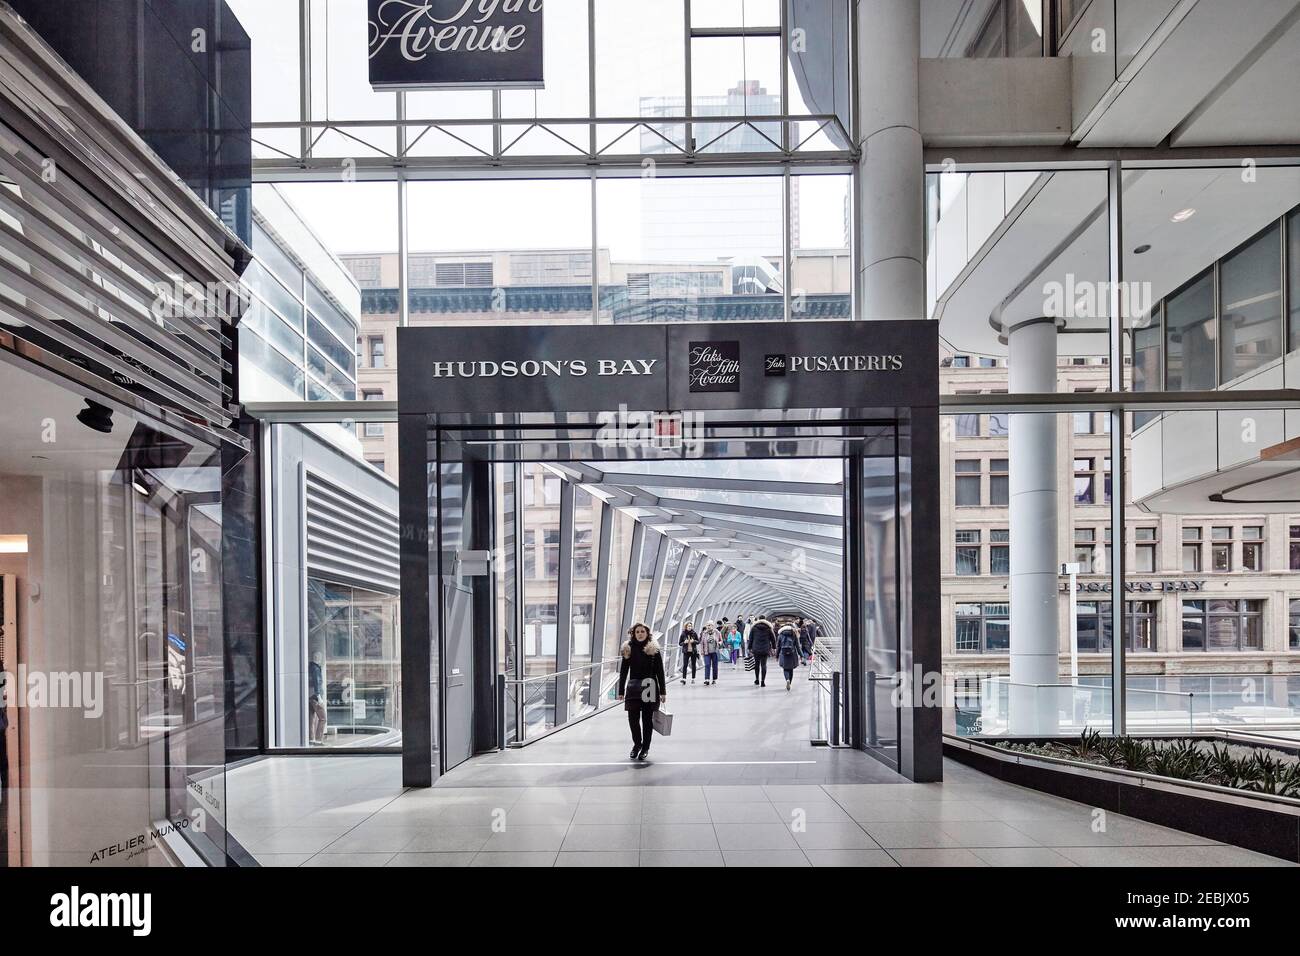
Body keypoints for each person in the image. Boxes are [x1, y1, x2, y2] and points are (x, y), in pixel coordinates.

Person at [617, 622, 667, 760]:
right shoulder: (628, 648)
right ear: (633, 633)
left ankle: (645, 747)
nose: (640, 634)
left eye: (642, 631)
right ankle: (637, 744)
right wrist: (620, 690)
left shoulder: (653, 649)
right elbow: (623, 671)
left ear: (647, 633)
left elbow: (660, 672)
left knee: (646, 720)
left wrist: (663, 691)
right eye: (637, 631)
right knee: (632, 719)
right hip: (633, 687)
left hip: (649, 686)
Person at [746, 616, 776, 687]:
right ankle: (763, 681)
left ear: (758, 620)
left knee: (756, 664)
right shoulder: (769, 628)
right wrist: (774, 647)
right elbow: (773, 638)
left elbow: (751, 639)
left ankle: (757, 680)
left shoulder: (754, 628)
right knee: (764, 665)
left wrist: (749, 648)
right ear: (765, 620)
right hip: (765, 649)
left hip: (756, 649)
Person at [308, 651, 327, 743]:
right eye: (318, 656)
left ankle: (311, 739)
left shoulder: (310, 667)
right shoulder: (315, 669)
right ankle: (318, 740)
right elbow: (316, 683)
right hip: (315, 697)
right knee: (323, 718)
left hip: (310, 696)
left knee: (311, 718)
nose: (320, 658)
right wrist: (319, 697)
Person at [777, 623, 802, 690]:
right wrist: (801, 655)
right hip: (792, 654)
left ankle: (787, 680)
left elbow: (778, 646)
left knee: (785, 668)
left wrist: (777, 656)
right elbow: (798, 646)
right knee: (791, 669)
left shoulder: (780, 635)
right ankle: (790, 682)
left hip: (783, 654)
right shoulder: (794, 634)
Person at [678, 620, 700, 684]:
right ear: (686, 627)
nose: (689, 627)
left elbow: (698, 642)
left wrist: (694, 641)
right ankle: (684, 679)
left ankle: (693, 678)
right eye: (688, 626)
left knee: (693, 665)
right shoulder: (683, 634)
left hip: (693, 651)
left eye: (690, 626)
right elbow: (680, 643)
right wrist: (684, 642)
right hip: (686, 651)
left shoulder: (694, 633)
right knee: (685, 665)